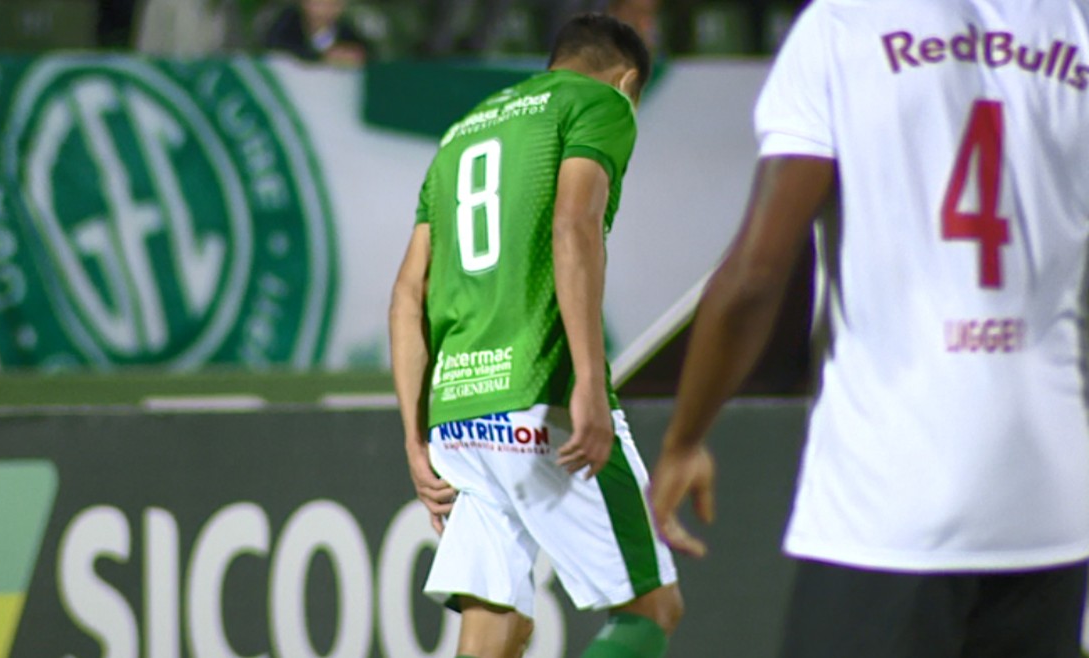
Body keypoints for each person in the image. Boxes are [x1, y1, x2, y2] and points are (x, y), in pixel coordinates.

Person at [648, 0, 1089, 656]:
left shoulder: (843, 25)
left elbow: (756, 275)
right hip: (1052, 499)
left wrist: (685, 438)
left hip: (892, 500)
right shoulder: (1073, 26)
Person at [390, 13, 683, 658]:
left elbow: (409, 289)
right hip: (537, 394)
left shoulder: (461, 134)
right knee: (651, 607)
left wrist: (415, 438)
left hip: (458, 415)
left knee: (492, 630)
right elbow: (574, 222)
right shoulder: (600, 102)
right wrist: (587, 383)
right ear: (628, 79)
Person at [264, 0, 370, 66]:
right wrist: (321, 58)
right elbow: (276, 47)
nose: (327, 9)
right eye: (320, 3)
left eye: (334, 4)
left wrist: (353, 55)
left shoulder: (345, 28)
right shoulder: (289, 21)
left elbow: (365, 51)